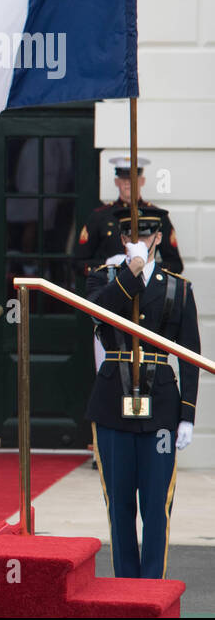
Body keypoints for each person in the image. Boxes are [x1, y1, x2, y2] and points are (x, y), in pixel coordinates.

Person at [86, 205, 199, 579]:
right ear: (122, 240)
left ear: (159, 238)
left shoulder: (178, 288)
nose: (140, 242)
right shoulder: (102, 279)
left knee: (156, 504)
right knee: (119, 505)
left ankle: (151, 587)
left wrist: (187, 415)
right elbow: (100, 313)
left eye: (147, 235)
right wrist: (130, 275)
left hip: (161, 406)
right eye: (132, 237)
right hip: (112, 403)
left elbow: (190, 355)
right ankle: (124, 587)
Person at [74, 155, 185, 375]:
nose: (128, 184)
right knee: (110, 364)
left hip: (148, 299)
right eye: (124, 179)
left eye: (133, 179)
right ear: (116, 182)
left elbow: (175, 263)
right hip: (112, 299)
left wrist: (150, 270)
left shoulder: (157, 217)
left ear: (142, 181)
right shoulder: (100, 217)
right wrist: (108, 265)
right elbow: (79, 263)